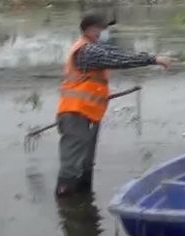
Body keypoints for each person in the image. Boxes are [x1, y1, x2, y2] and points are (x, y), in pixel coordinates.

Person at [56, 11, 173, 196]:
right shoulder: (87, 51)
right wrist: (153, 60)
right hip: (75, 114)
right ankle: (66, 204)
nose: (105, 31)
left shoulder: (94, 47)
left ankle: (82, 204)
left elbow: (118, 53)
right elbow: (120, 60)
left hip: (87, 113)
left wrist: (151, 57)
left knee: (85, 164)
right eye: (102, 28)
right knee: (72, 167)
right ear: (90, 30)